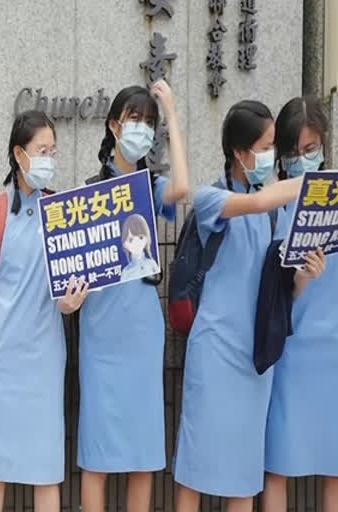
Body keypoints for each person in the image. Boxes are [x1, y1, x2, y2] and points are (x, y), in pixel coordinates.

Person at [172, 100, 325, 512]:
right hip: (213, 350)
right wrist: (313, 184)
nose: (273, 156)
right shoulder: (212, 199)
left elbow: (282, 290)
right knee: (195, 466)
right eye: (266, 145)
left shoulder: (275, 215)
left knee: (244, 473)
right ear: (240, 153)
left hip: (255, 358)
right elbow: (257, 203)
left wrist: (305, 274)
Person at [0, 109, 90, 512]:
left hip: (44, 356)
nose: (49, 159)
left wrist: (70, 303)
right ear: (18, 154)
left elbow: (64, 292)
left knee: (45, 467)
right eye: (41, 150)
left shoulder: (62, 211)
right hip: (3, 354)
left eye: (53, 151)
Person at [59, 81, 189, 512]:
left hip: (142, 333)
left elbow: (183, 190)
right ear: (114, 125)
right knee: (96, 454)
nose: (143, 130)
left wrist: (170, 112)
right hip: (100, 334)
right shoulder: (88, 189)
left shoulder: (151, 186)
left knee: (142, 455)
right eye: (136, 120)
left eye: (149, 123)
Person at [262, 96, 337, 512]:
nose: (303, 160)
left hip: (336, 349)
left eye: (311, 150)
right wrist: (302, 280)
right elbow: (273, 292)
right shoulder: (274, 204)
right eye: (293, 152)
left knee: (335, 463)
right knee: (280, 461)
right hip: (291, 351)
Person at [119, 213, 161, 282]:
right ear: (125, 244)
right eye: (131, 239)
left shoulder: (151, 263)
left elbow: (157, 280)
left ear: (147, 238)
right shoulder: (126, 271)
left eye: (141, 237)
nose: (136, 243)